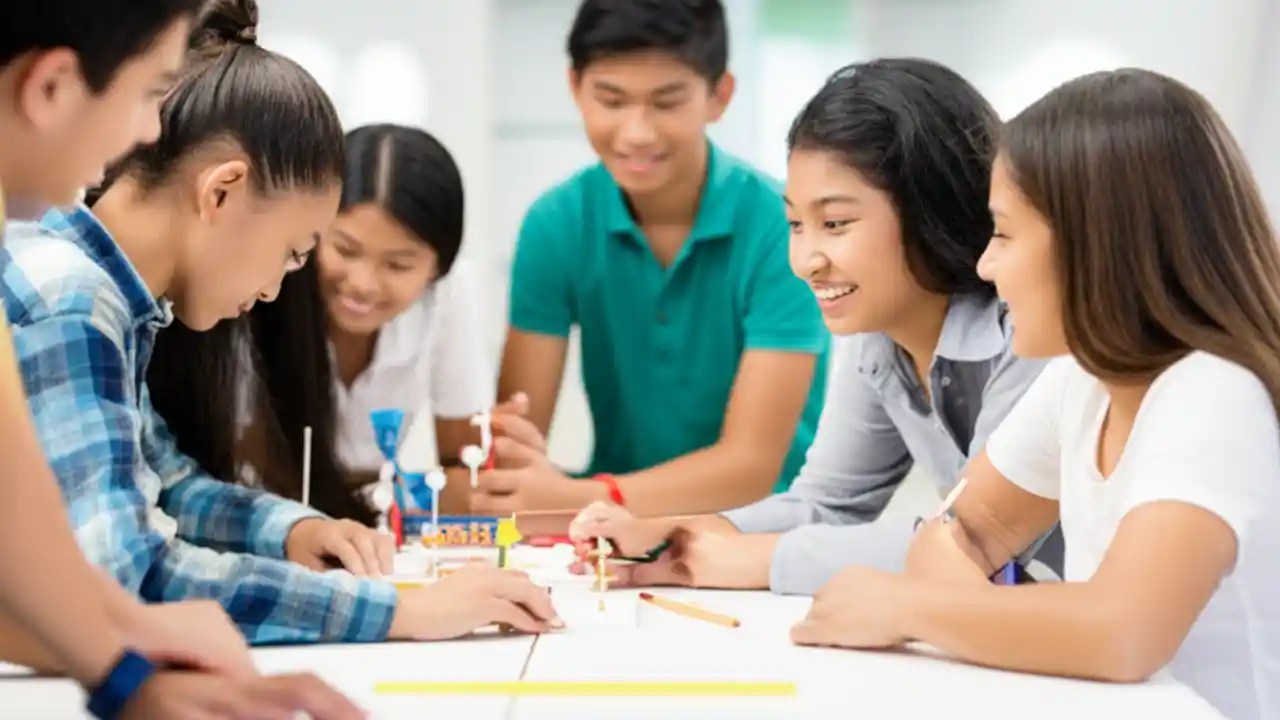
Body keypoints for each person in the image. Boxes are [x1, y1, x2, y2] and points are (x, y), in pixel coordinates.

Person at [3, 0, 561, 651]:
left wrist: (294, 530)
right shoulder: (71, 296)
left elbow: (170, 484)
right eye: (295, 253)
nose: (276, 288)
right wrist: (396, 611)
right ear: (221, 192)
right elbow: (132, 580)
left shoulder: (115, 304)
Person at [792, 69, 1280, 720]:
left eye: (1002, 234)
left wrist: (911, 608)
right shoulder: (1080, 379)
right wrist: (1013, 621)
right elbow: (954, 534)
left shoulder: (1211, 395)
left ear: (1093, 245)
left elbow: (1122, 631)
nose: (985, 266)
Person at [0, 2, 365, 717]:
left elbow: (46, 534)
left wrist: (122, 665)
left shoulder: (100, 293)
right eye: (147, 93)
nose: (149, 130)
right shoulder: (65, 290)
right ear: (50, 88)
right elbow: (118, 571)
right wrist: (387, 611)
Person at [568, 58, 1054, 595]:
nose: (805, 260)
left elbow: (972, 545)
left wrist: (736, 561)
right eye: (796, 224)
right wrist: (676, 537)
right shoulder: (878, 337)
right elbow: (826, 504)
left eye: (836, 224)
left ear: (930, 209)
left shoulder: (1033, 333)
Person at [485, 0, 829, 518]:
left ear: (719, 95)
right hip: (607, 533)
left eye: (666, 102)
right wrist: (535, 488)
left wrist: (575, 499)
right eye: (611, 99)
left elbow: (752, 468)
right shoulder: (555, 224)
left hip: (760, 530)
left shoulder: (782, 225)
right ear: (575, 87)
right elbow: (516, 444)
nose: (636, 132)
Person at [149, 124, 489, 520]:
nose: (362, 284)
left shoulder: (449, 294)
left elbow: (464, 471)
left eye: (398, 265)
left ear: (438, 270)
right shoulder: (264, 287)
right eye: (345, 249)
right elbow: (233, 465)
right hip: (262, 522)